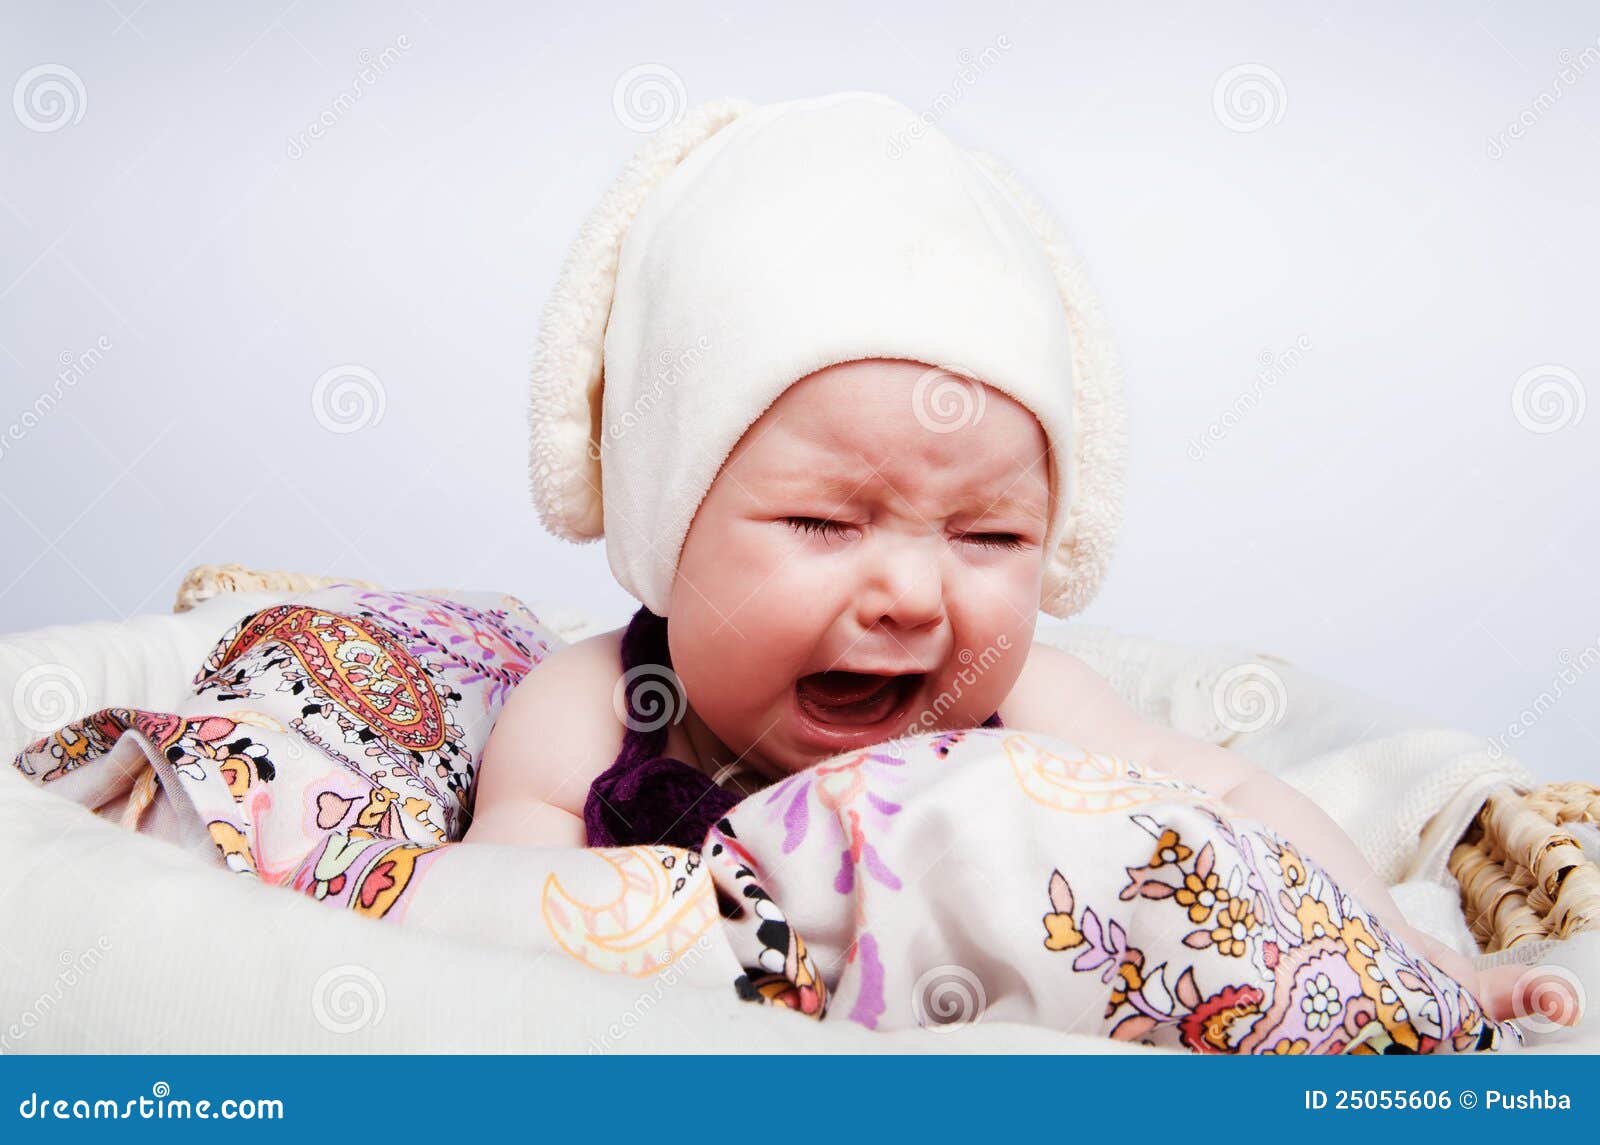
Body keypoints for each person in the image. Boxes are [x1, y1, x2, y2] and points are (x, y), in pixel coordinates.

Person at [468, 91, 1573, 1030]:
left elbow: (1237, 803)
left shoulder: (1029, 709)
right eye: (822, 524)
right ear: (668, 528)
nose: (910, 594)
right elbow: (493, 932)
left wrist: (1414, 968)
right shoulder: (595, 710)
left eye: (987, 535)